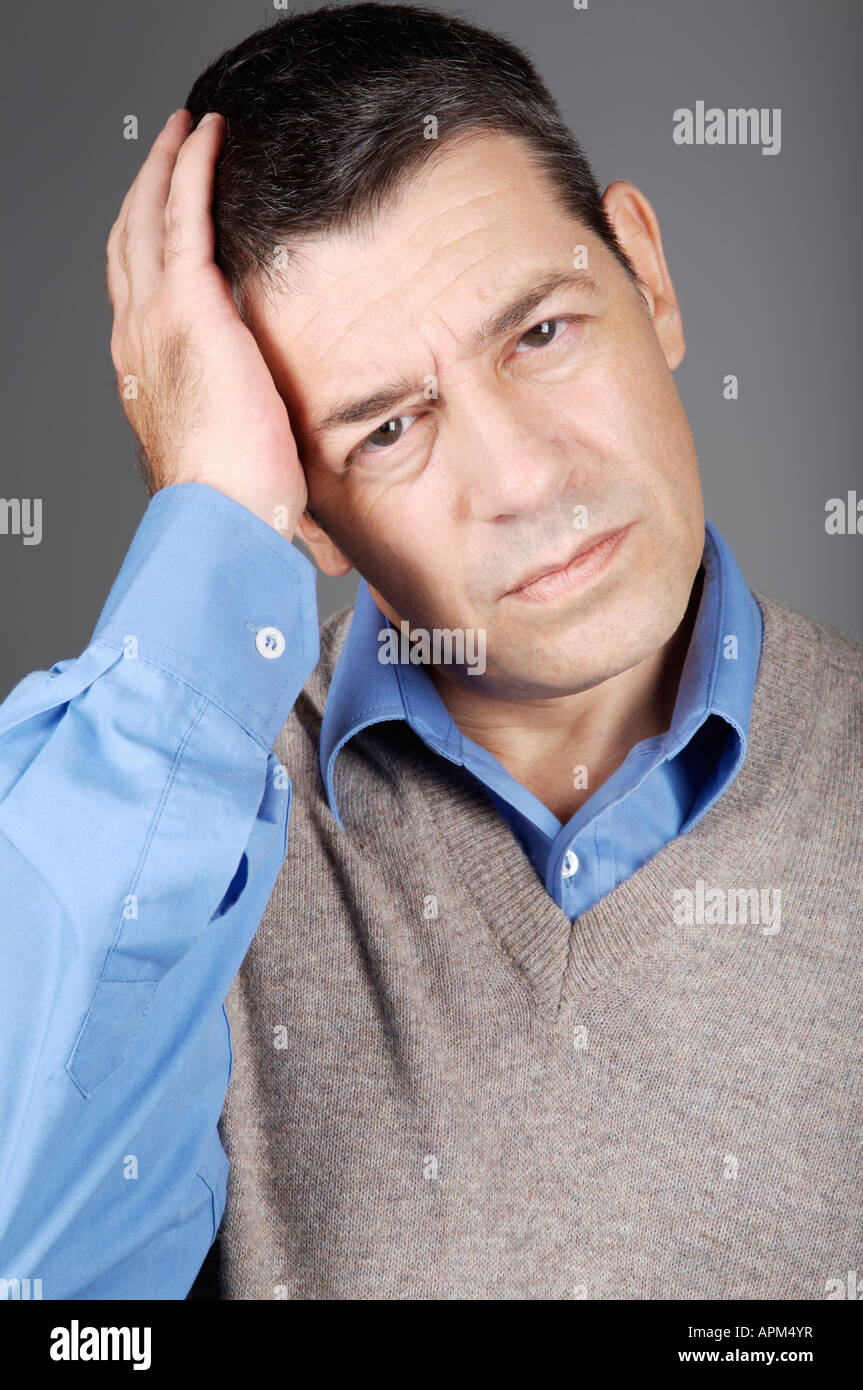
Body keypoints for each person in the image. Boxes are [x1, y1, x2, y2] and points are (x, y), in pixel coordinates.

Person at [1, 3, 860, 1301]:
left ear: (650, 273)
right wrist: (212, 529)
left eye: (542, 333)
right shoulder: (158, 835)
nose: (524, 476)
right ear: (303, 504)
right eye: (389, 429)